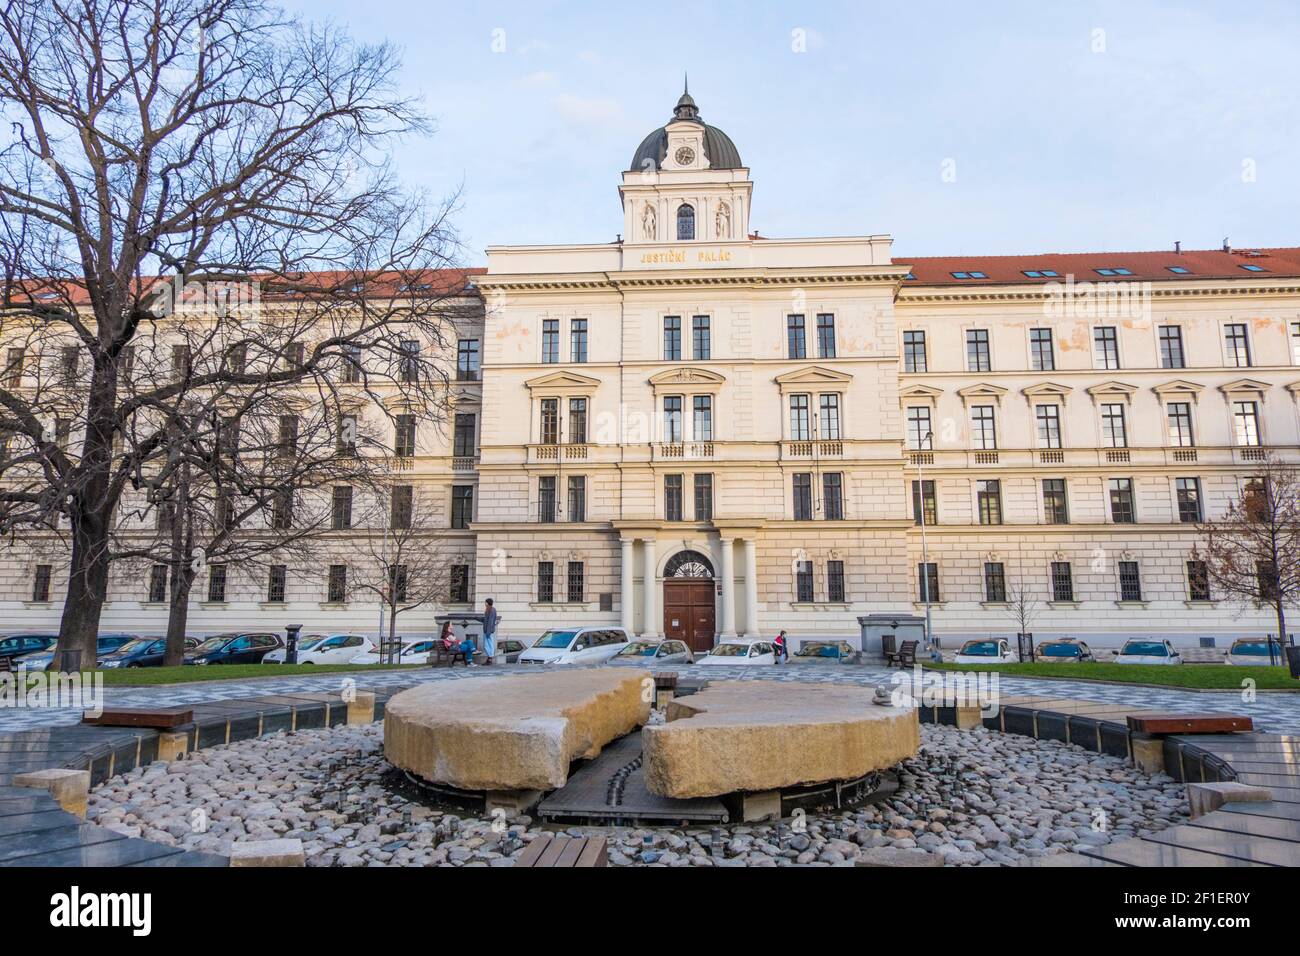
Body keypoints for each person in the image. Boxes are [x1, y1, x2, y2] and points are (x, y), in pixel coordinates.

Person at [482, 598, 498, 663]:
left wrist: (488, 632)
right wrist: (476, 618)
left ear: (488, 603)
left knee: (488, 645)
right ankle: (489, 658)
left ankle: (490, 657)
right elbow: (486, 620)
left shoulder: (492, 610)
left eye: (485, 602)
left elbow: (490, 622)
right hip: (487, 631)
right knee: (487, 645)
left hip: (489, 631)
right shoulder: (488, 610)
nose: (485, 603)